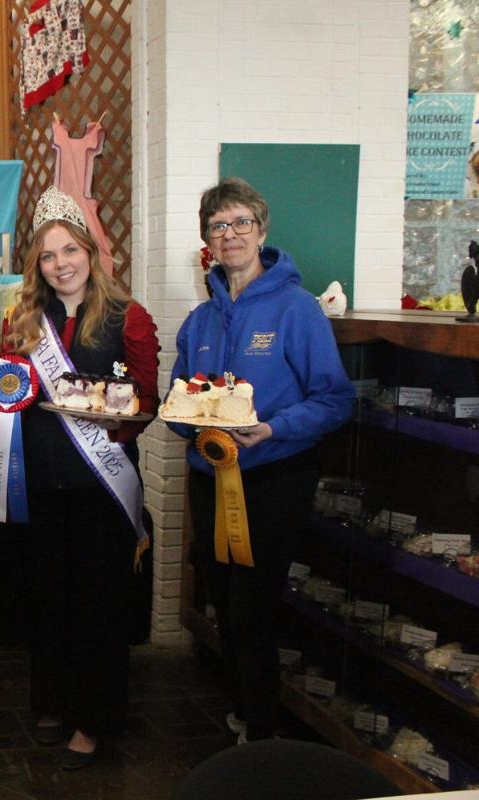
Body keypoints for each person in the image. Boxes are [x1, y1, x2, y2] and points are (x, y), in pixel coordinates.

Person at [168, 177, 353, 744]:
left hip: (273, 480)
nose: (231, 234)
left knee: (252, 608)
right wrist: (188, 419)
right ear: (208, 240)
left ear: (262, 230)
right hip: (209, 479)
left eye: (241, 222)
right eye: (218, 226)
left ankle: (263, 731)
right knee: (223, 602)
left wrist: (272, 428)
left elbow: (334, 399)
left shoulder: (297, 309)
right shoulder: (200, 320)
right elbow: (177, 404)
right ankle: (243, 711)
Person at [3, 186, 159, 770]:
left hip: (101, 486)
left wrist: (115, 424)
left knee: (99, 606)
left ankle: (93, 721)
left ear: (90, 253)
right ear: (36, 265)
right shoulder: (23, 320)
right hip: (40, 483)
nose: (60, 264)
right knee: (47, 599)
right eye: (48, 255)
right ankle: (51, 701)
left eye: (70, 250)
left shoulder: (129, 317)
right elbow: (8, 391)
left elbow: (146, 400)